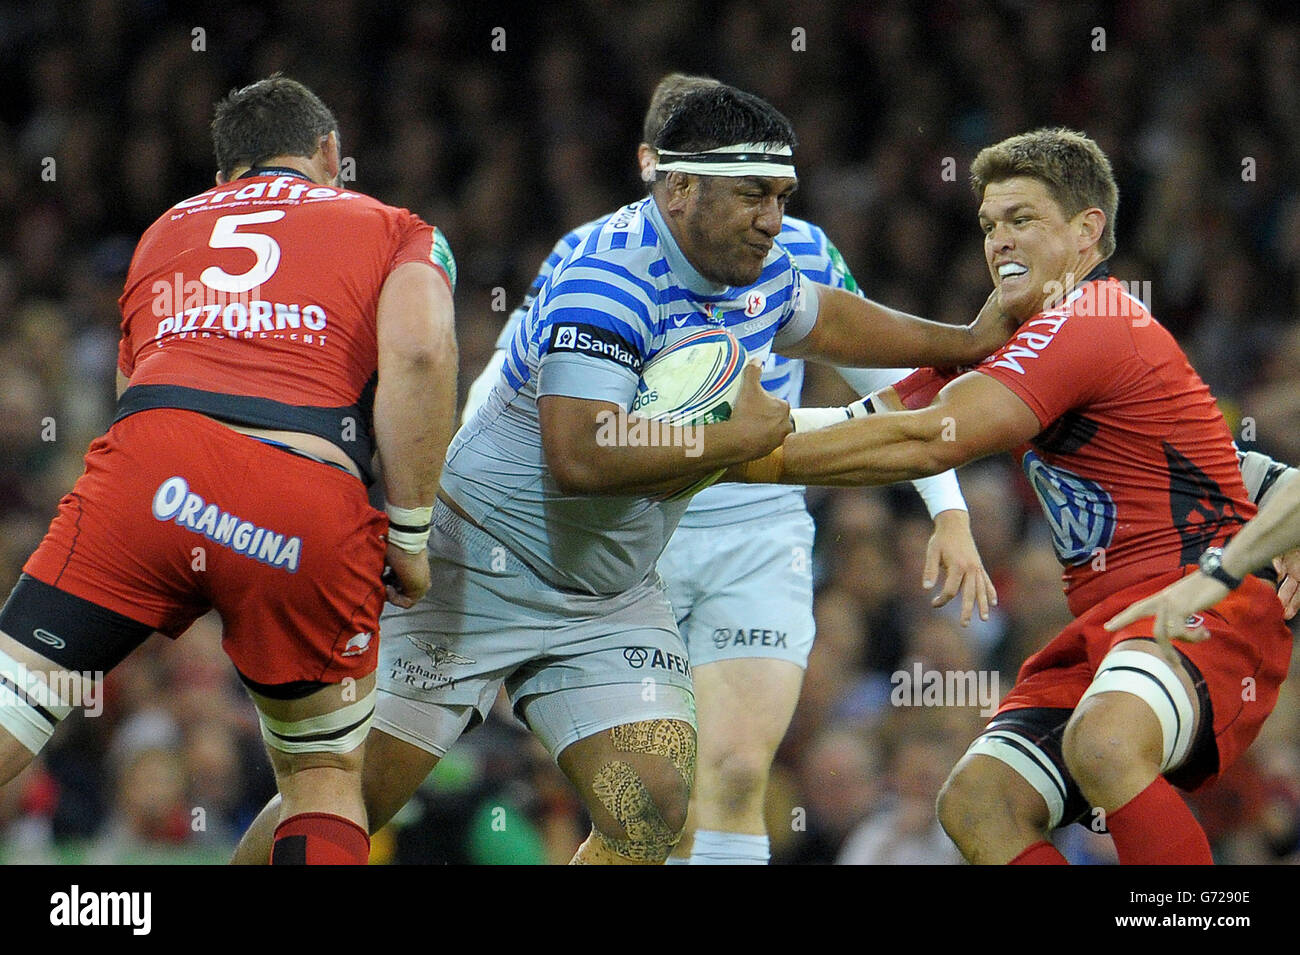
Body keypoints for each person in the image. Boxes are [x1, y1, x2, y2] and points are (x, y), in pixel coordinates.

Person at [232, 82, 1012, 865]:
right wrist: (725, 441)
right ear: (677, 188)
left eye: (780, 196)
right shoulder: (605, 280)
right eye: (752, 195)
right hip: (479, 573)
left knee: (651, 809)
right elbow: (580, 455)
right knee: (351, 797)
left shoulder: (755, 268)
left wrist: (963, 341)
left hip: (607, 595)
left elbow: (828, 316)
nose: (773, 219)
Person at [459, 72, 992, 866]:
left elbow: (895, 388)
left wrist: (950, 510)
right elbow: (513, 379)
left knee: (738, 774)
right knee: (651, 798)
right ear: (665, 174)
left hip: (759, 527)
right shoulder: (596, 262)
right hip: (639, 534)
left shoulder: (798, 253)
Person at [730, 127, 1293, 864]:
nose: (998, 241)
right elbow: (858, 428)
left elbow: (933, 438)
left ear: (1087, 230)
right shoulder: (1008, 343)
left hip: (1200, 598)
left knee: (1106, 741)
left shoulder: (1099, 317)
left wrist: (737, 458)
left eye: (1022, 219)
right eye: (990, 225)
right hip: (1109, 624)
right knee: (978, 801)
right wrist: (700, 439)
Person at [0, 75, 458, 865]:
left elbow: (131, 391)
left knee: (16, 701)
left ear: (224, 177)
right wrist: (410, 533)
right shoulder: (396, 228)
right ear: (328, 154)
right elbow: (420, 352)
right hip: (301, 495)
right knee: (322, 775)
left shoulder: (165, 229)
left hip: (148, 475)